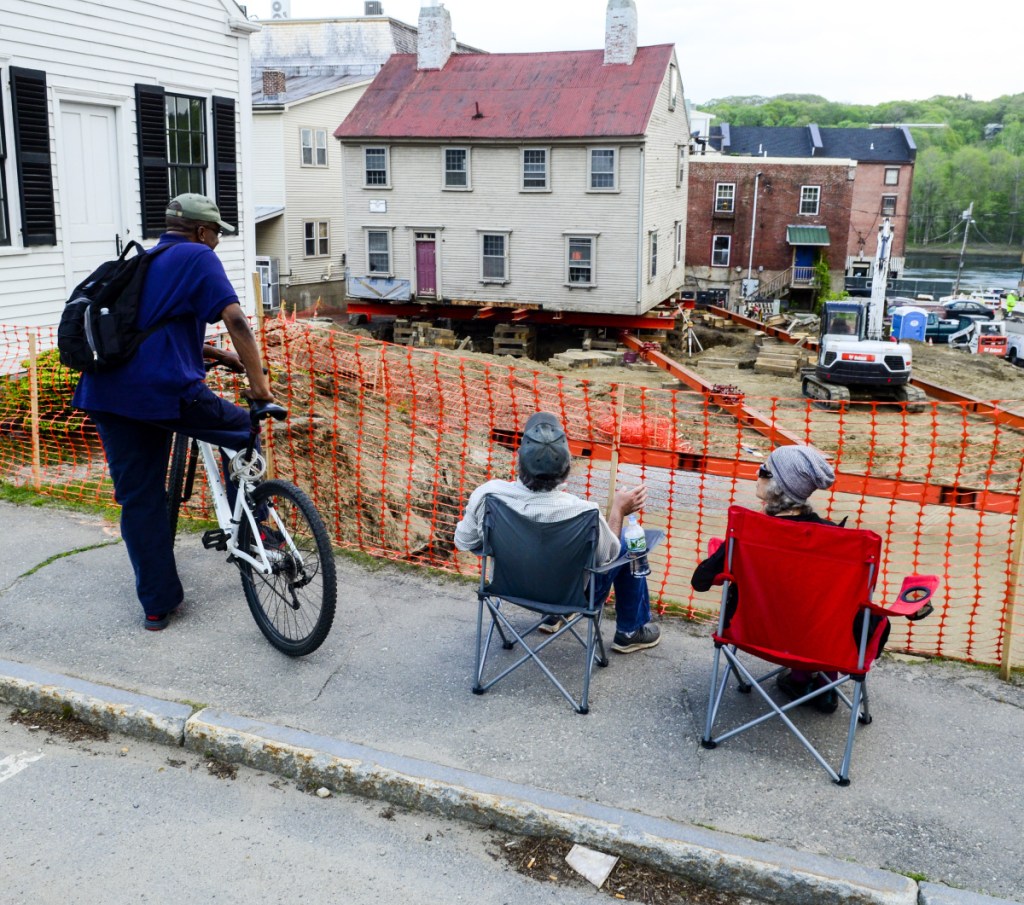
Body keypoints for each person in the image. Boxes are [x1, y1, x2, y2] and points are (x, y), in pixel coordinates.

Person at [73, 193, 276, 632]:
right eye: (217, 234)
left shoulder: (145, 261)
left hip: (107, 394)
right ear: (203, 231)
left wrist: (211, 353)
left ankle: (157, 606)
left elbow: (145, 327)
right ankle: (258, 532)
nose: (217, 242)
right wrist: (259, 388)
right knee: (242, 429)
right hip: (165, 392)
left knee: (139, 499)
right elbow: (237, 320)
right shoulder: (198, 257)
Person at [454, 411, 661, 654]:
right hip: (572, 595)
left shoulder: (488, 495)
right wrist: (618, 511)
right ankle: (630, 631)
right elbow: (607, 559)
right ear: (567, 467)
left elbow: (463, 541)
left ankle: (552, 616)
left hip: (509, 587)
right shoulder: (583, 512)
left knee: (539, 548)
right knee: (629, 542)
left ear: (519, 460)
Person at [691, 444, 869, 714]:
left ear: (778, 486)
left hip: (754, 633)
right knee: (828, 605)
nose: (757, 473)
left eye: (764, 469)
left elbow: (700, 581)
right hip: (820, 639)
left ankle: (799, 680)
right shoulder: (837, 540)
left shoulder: (746, 534)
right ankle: (824, 684)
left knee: (784, 601)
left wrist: (724, 557)